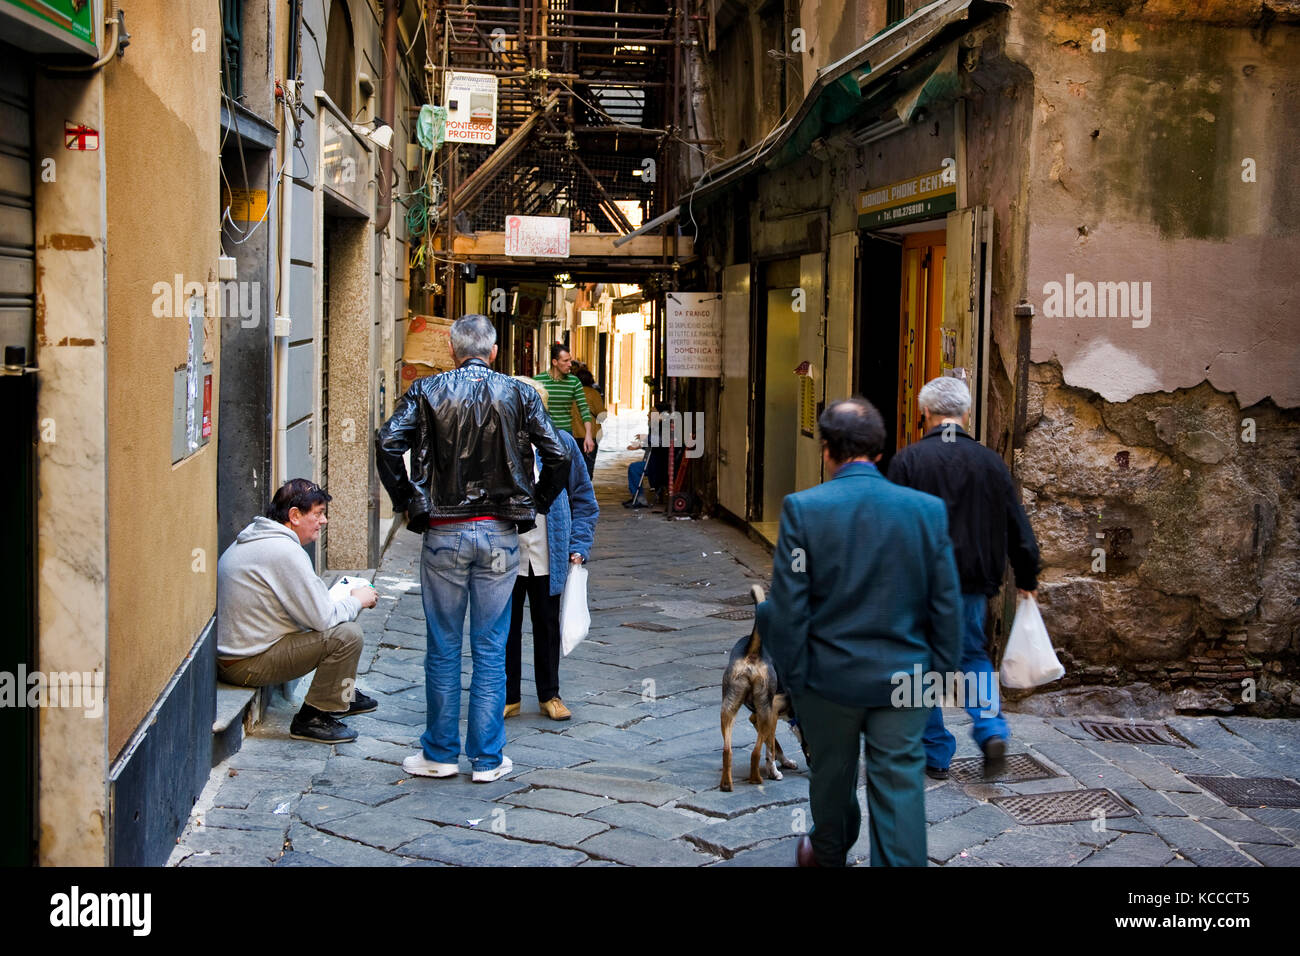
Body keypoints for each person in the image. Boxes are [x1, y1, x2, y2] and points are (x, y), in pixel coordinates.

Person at [763, 398, 961, 866]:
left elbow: (789, 608)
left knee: (831, 776)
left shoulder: (803, 509)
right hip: (906, 679)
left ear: (827, 450)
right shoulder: (925, 511)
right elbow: (946, 605)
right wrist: (941, 672)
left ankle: (828, 851)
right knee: (899, 787)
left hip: (828, 679)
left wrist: (795, 678)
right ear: (880, 451)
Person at [376, 314, 570, 783]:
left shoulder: (427, 391)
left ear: (451, 349)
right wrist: (535, 506)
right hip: (501, 536)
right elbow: (560, 455)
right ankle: (486, 759)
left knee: (443, 646)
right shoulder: (520, 393)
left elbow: (387, 442)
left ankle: (440, 754)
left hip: (443, 532)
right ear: (495, 352)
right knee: (489, 647)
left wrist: (409, 502)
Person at [886, 376, 1041, 781]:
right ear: (966, 413)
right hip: (972, 584)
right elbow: (1016, 523)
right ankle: (990, 730)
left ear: (926, 415)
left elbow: (893, 528)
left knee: (918, 665)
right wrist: (1027, 573)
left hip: (921, 584)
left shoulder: (909, 461)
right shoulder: (990, 462)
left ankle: (935, 753)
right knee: (972, 656)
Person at [216, 478, 379, 744]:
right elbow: (323, 618)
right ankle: (313, 718)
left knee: (337, 623)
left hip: (240, 656)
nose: (323, 521)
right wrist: (357, 600)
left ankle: (340, 694)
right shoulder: (284, 551)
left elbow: (309, 609)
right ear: (294, 515)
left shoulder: (261, 538)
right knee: (347, 635)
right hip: (245, 665)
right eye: (318, 514)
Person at [505, 378, 598, 721]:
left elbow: (585, 501)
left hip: (550, 551)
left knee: (547, 626)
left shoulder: (562, 446)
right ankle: (508, 695)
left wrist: (578, 545)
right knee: (506, 628)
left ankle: (549, 695)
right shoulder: (499, 443)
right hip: (507, 555)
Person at [535, 344, 595, 460]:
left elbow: (584, 409)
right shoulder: (538, 381)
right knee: (545, 475)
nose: (570, 365)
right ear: (555, 362)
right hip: (544, 436)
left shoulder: (574, 382)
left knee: (564, 475)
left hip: (566, 436)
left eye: (570, 360)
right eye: (566, 361)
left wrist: (588, 435)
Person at [569, 362, 605, 478]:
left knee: (575, 465)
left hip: (574, 433)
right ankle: (586, 488)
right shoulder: (594, 394)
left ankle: (576, 489)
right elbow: (601, 415)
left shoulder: (571, 393)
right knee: (588, 464)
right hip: (592, 434)